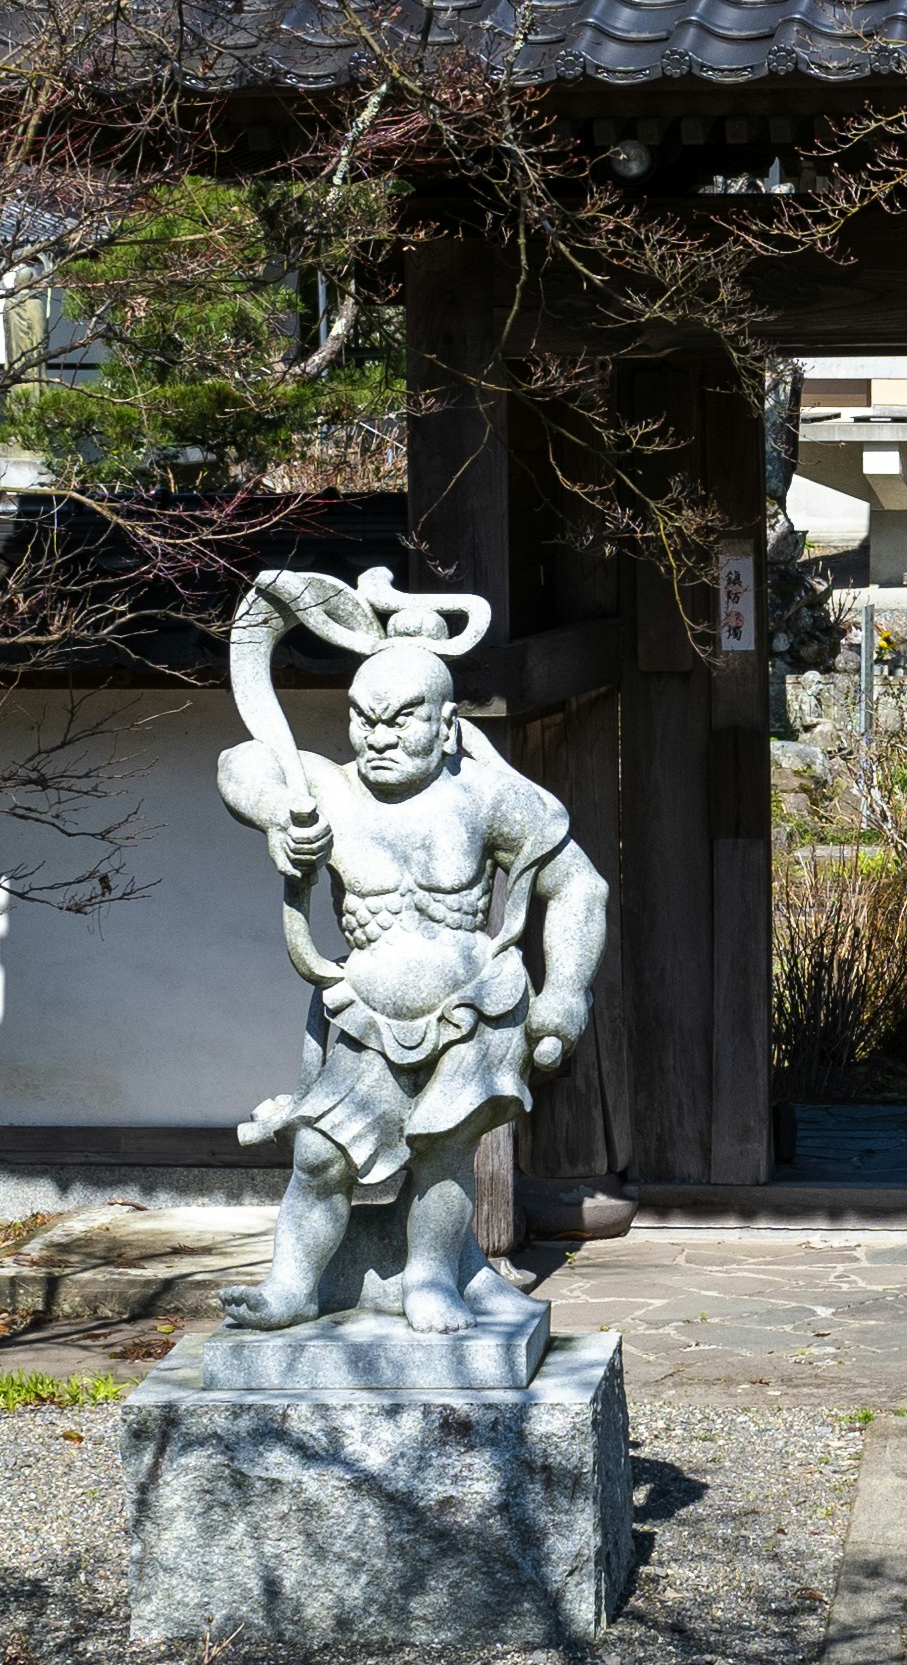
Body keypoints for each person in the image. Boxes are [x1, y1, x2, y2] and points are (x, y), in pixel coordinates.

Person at [214, 565, 613, 1334]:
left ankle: (432, 1278)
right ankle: (293, 1285)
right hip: (364, 1013)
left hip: (475, 1011)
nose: (380, 737)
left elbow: (580, 888)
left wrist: (566, 992)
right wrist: (277, 816)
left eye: (402, 719)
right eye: (364, 719)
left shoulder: (486, 798)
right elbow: (239, 763)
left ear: (447, 723)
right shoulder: (329, 793)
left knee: (441, 1158)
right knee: (321, 1157)